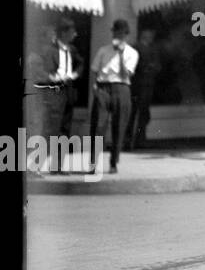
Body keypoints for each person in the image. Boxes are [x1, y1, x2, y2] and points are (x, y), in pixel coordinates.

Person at [89, 18, 139, 175]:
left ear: (126, 35)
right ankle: (93, 162)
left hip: (121, 88)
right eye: (116, 33)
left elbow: (126, 74)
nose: (118, 36)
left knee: (119, 126)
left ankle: (113, 163)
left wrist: (121, 54)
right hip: (103, 87)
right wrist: (94, 87)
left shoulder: (132, 53)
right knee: (98, 125)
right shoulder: (103, 50)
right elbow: (95, 70)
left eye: (121, 34)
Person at [47, 17, 85, 173]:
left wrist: (75, 74)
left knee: (65, 129)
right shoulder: (50, 50)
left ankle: (58, 166)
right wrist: (52, 77)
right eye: (72, 32)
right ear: (63, 32)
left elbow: (81, 63)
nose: (75, 34)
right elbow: (43, 69)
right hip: (55, 92)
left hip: (68, 92)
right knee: (53, 130)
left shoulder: (72, 49)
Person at [126, 27, 161, 151]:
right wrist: (147, 67)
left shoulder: (153, 49)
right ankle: (128, 141)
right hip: (137, 85)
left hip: (148, 85)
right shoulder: (135, 48)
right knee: (132, 114)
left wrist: (153, 67)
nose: (150, 36)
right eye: (148, 34)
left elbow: (158, 65)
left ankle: (141, 139)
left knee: (144, 114)